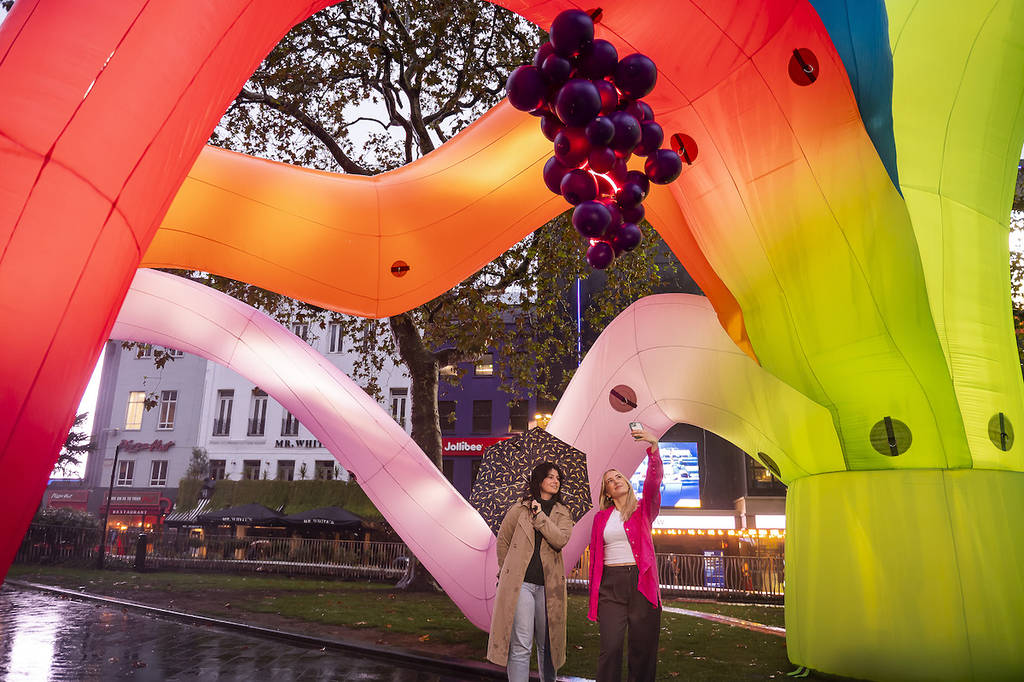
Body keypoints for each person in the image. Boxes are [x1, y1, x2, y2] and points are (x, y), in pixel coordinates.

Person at [588, 426, 663, 682]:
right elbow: (596, 560)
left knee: (642, 650)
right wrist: (595, 594)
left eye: (619, 477)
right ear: (607, 492)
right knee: (610, 648)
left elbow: (653, 484)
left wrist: (654, 450)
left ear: (627, 483)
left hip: (640, 583)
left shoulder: (643, 509)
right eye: (610, 480)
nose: (615, 481)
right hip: (611, 586)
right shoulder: (600, 518)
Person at [487, 462, 574, 682]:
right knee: (521, 643)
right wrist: (506, 571)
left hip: (549, 587)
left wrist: (540, 517)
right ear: (539, 480)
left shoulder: (563, 512)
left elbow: (559, 540)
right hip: (521, 584)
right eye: (550, 477)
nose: (556, 481)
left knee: (548, 645)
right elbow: (503, 541)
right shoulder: (519, 509)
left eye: (558, 478)